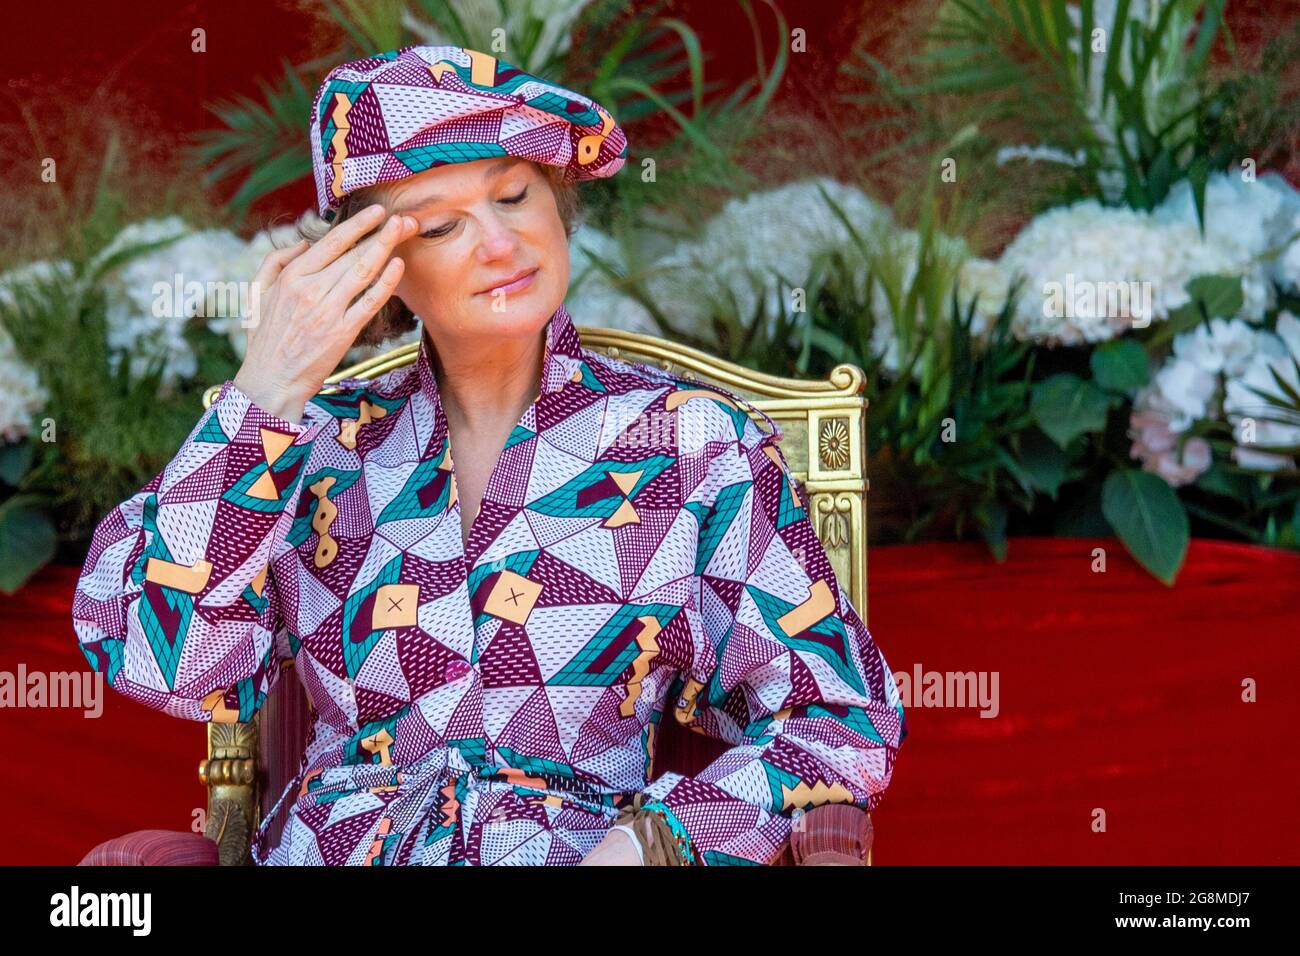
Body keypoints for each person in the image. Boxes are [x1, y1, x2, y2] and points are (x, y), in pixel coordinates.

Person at [71, 44, 906, 866]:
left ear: (558, 203)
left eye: (514, 195)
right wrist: (267, 391)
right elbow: (166, 663)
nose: (500, 243)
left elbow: (839, 717)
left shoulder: (690, 444)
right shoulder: (313, 444)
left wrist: (653, 842)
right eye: (440, 225)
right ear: (380, 268)